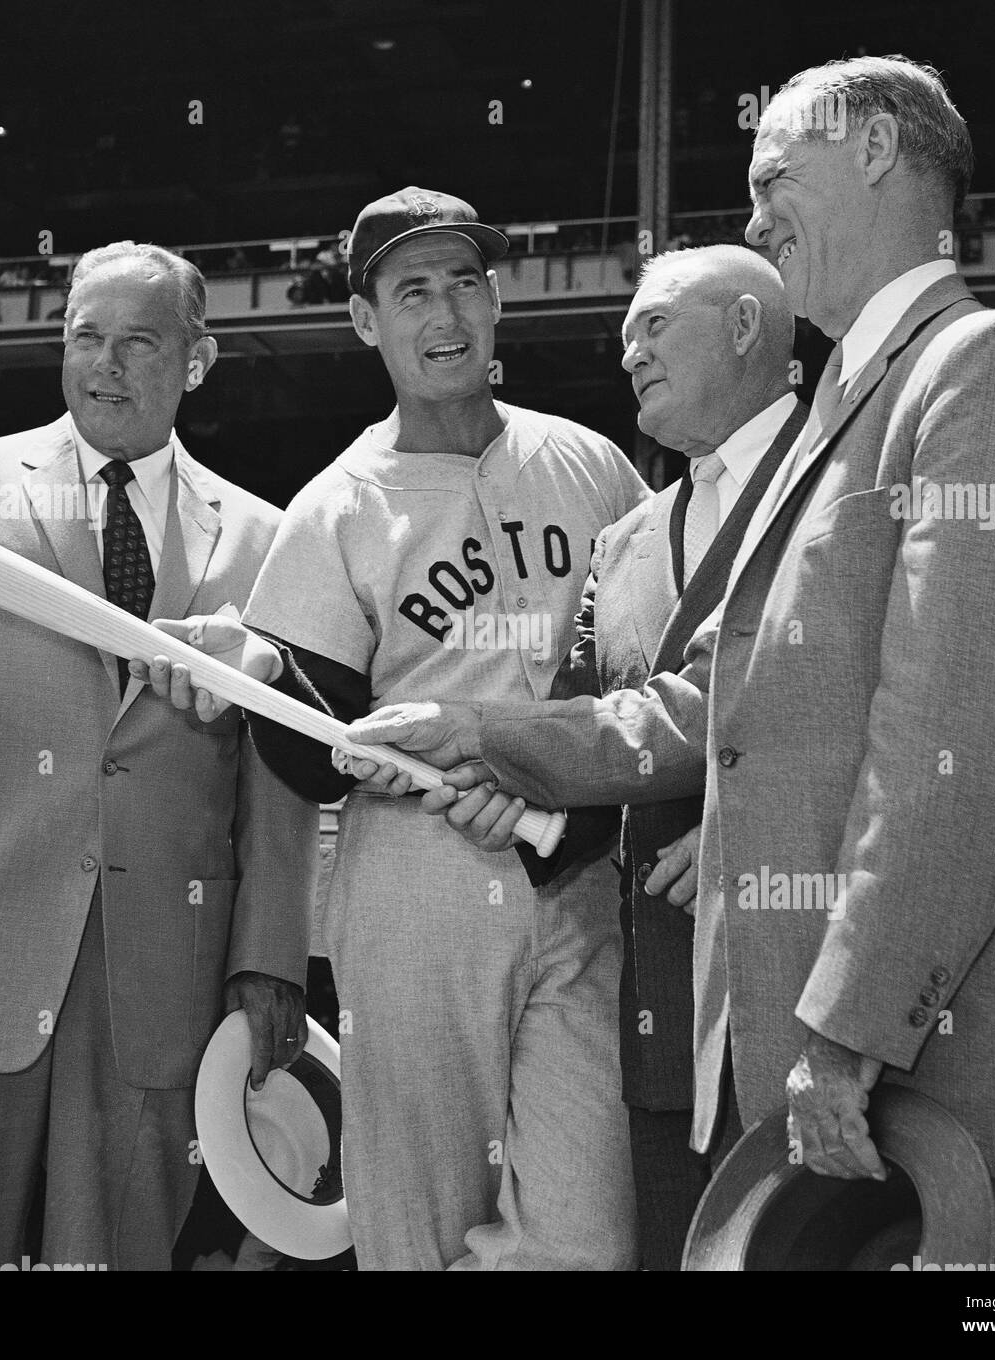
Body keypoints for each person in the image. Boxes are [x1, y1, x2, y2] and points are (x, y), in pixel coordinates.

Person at [351, 56, 995, 1270]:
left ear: (873, 151)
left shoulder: (988, 363)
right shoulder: (848, 414)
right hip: (849, 1057)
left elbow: (962, 748)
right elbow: (726, 702)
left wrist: (850, 1031)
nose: (755, 218)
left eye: (774, 177)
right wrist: (482, 730)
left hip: (950, 1067)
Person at [136, 187, 647, 1270]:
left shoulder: (593, 466)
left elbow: (645, 679)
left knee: (585, 1234)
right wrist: (258, 670)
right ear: (367, 319)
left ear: (499, 298)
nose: (446, 312)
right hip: (422, 879)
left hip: (579, 882)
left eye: (466, 280)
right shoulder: (339, 503)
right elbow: (301, 746)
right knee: (417, 1218)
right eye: (413, 289)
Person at [0, 240, 318, 1270]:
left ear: (196, 361)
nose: (104, 364)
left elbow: (272, 775)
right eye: (84, 338)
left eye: (137, 343)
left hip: (156, 988)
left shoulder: (268, 537)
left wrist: (268, 956)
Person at [385, 242, 804, 1270]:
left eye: (655, 323)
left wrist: (758, 817)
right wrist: (523, 801)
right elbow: (590, 727)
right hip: (658, 1016)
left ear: (746, 325)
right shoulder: (622, 543)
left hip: (806, 1000)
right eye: (624, 336)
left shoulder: (845, 473)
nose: (629, 352)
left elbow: (890, 694)